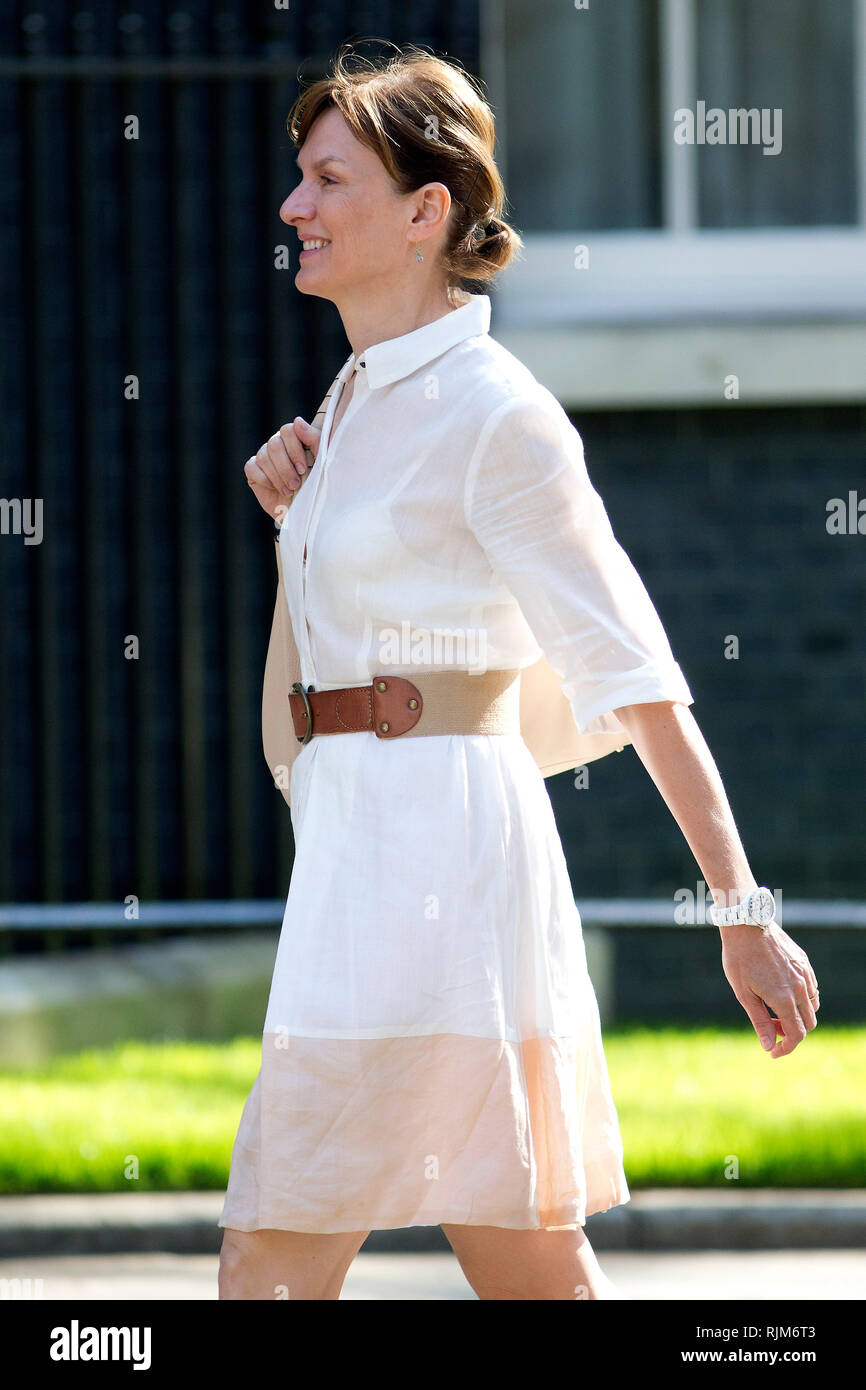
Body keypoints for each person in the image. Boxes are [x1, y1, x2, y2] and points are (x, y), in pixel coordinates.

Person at [218, 42, 819, 1301]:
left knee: (278, 1246)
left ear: (425, 211)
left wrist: (740, 912)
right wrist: (298, 514)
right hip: (355, 852)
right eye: (299, 180)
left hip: (442, 859)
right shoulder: (357, 400)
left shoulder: (497, 410)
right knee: (514, 1245)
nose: (294, 208)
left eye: (328, 180)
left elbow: (634, 671)